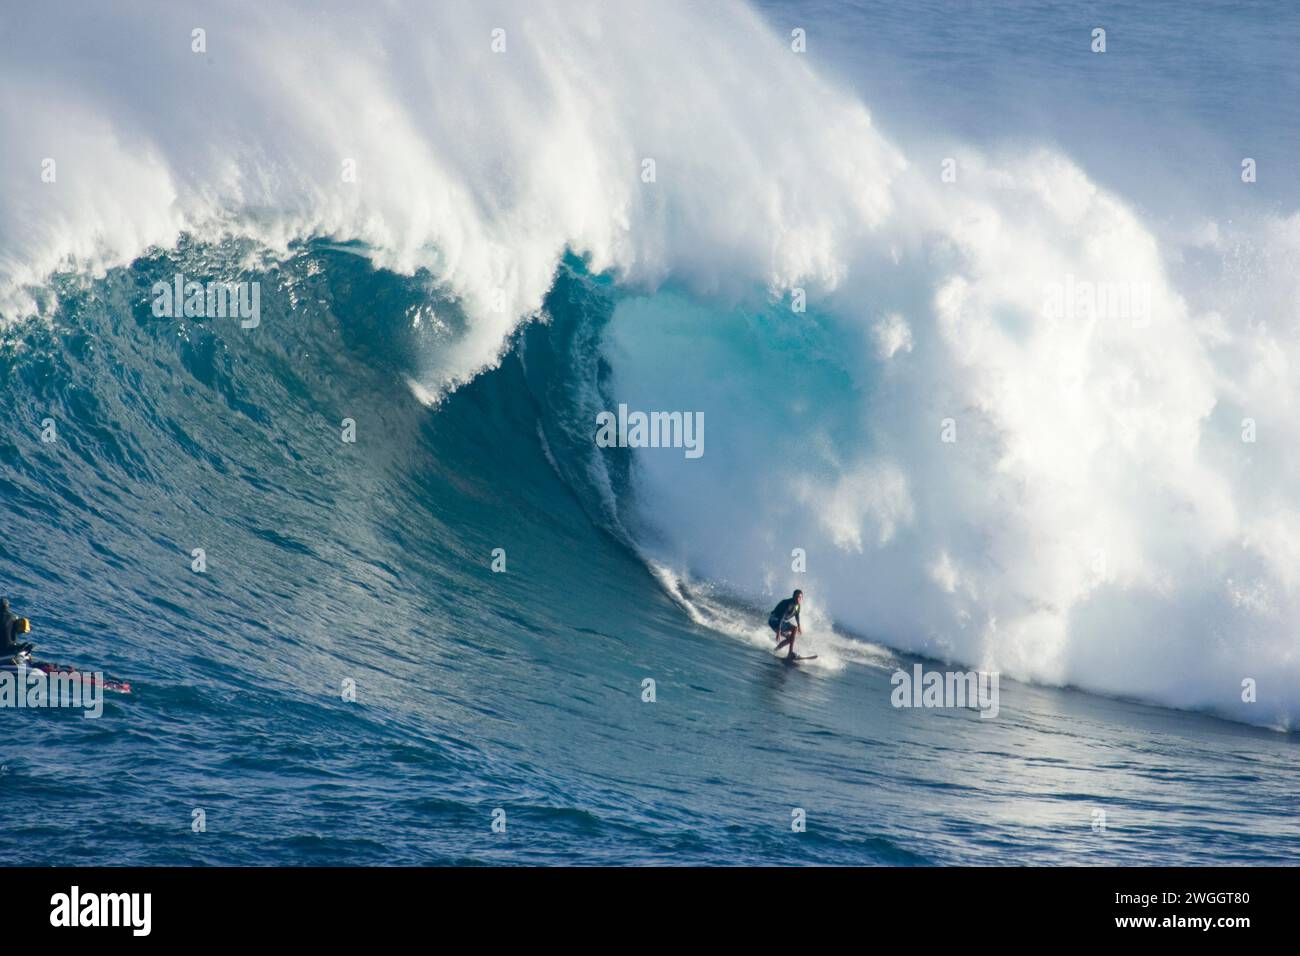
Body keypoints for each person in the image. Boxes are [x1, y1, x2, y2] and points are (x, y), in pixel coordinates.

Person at [769, 589, 803, 658]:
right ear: (793, 597)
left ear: (802, 598)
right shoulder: (789, 604)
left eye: (800, 597)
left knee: (790, 639)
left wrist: (799, 626)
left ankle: (776, 650)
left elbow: (797, 615)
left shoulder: (798, 606)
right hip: (774, 620)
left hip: (780, 621)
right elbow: (782, 617)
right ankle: (790, 653)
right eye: (796, 597)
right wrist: (778, 631)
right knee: (794, 628)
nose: (798, 599)